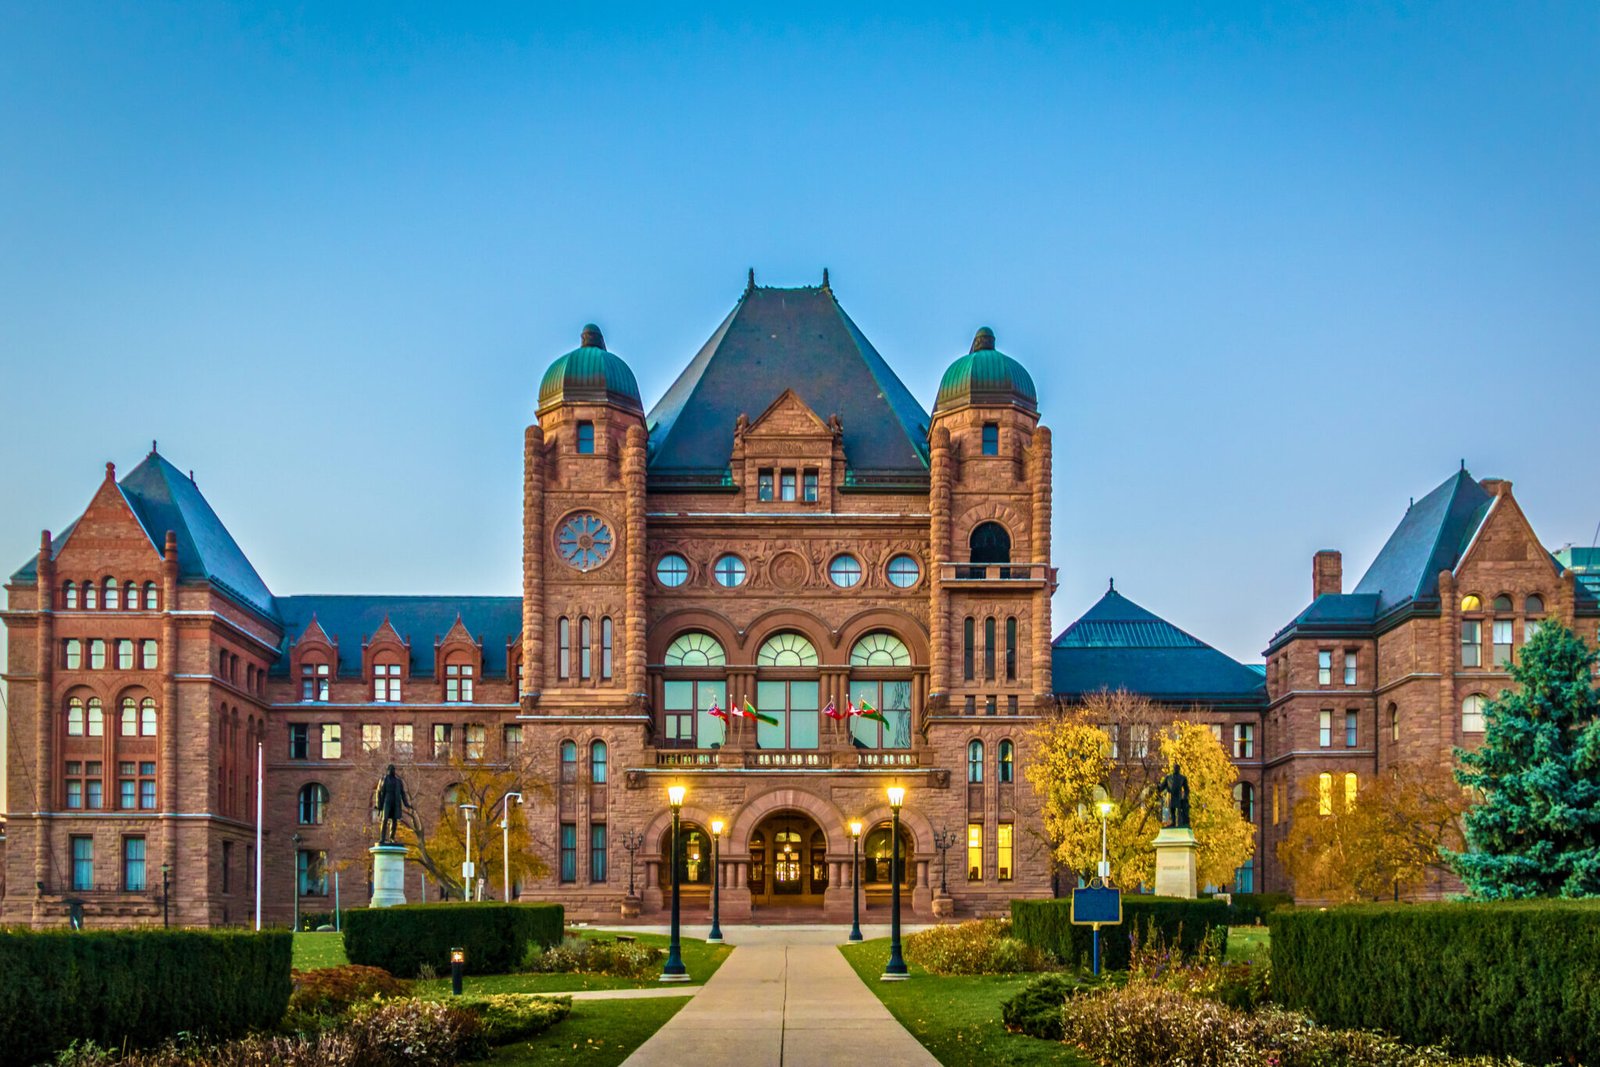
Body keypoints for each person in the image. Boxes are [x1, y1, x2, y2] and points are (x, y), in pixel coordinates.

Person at [375, 764, 411, 844]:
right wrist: (378, 805)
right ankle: (382, 838)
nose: (392, 771)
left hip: (395, 801)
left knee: (394, 820)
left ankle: (392, 838)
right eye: (391, 769)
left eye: (393, 769)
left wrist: (406, 804)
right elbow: (378, 792)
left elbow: (402, 793)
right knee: (384, 819)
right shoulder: (383, 779)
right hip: (387, 800)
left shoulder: (398, 781)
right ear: (388, 770)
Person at [1159, 762, 1191, 829]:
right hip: (1171, 796)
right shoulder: (1168, 777)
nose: (1175, 769)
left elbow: (1186, 789)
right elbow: (1162, 787)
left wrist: (1185, 796)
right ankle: (1173, 822)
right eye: (1174, 768)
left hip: (1179, 796)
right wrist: (1158, 788)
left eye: (1177, 768)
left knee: (1179, 810)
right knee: (1172, 809)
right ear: (1173, 769)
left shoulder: (1182, 778)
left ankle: (1181, 823)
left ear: (1179, 769)